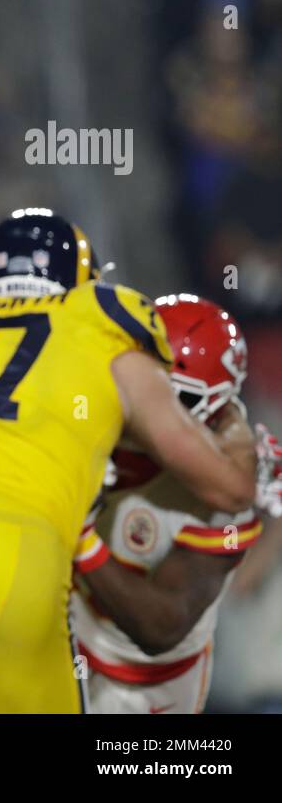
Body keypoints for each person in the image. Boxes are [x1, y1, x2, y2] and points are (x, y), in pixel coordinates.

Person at [0, 209, 258, 713]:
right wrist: (236, 427)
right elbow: (231, 488)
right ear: (83, 285)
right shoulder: (102, 330)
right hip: (9, 567)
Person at [70, 294, 281, 713]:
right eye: (146, 385)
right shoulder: (90, 415)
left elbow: (161, 625)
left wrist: (79, 537)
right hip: (56, 649)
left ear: (215, 409)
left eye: (174, 397)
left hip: (139, 686)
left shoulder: (227, 489)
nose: (152, 408)